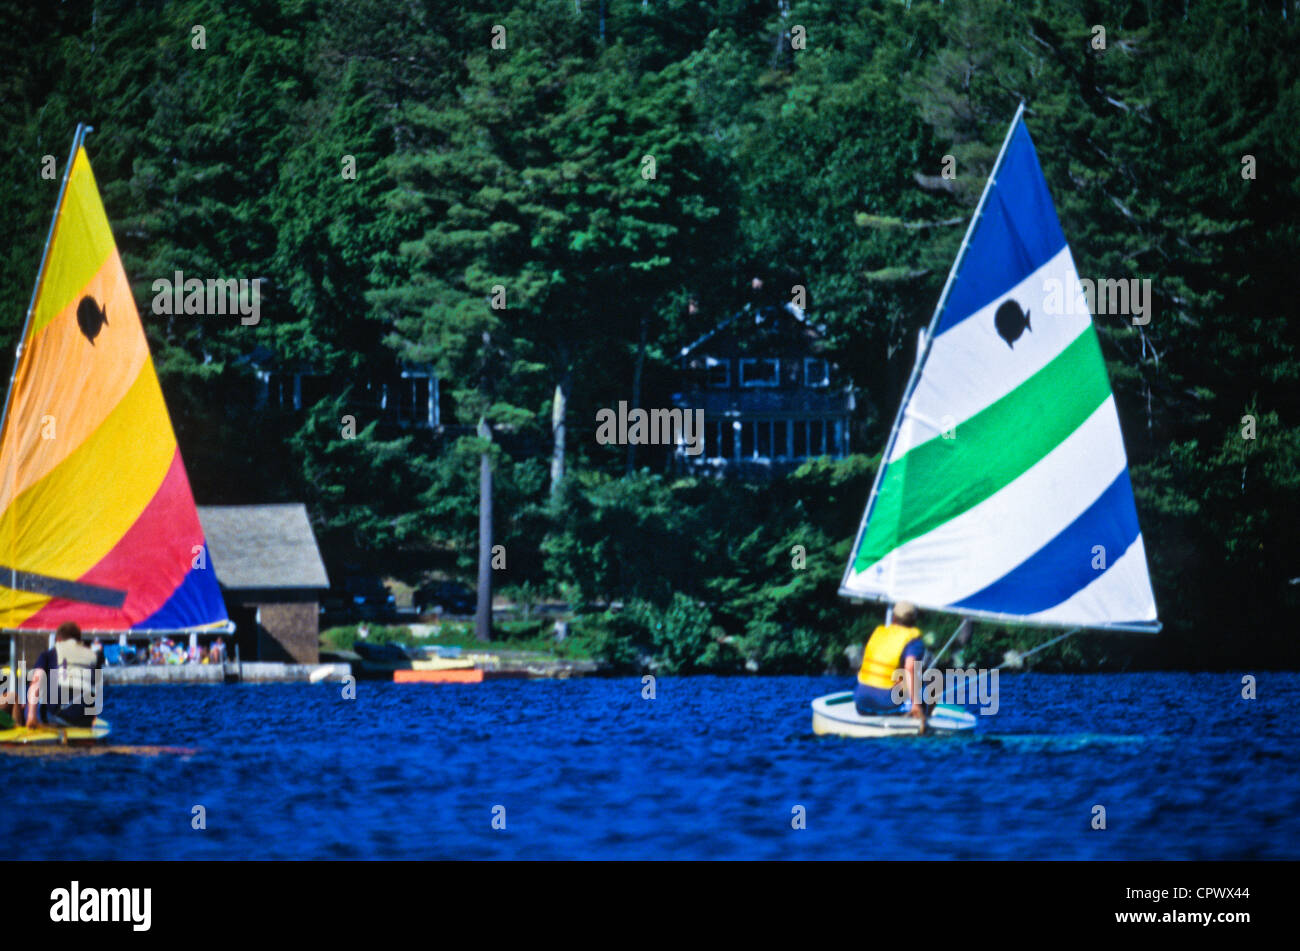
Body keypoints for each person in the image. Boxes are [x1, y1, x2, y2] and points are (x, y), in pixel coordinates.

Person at [854, 601, 928, 726]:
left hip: (861, 704)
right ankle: (923, 716)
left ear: (893, 617)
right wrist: (916, 704)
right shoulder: (914, 641)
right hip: (887, 706)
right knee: (931, 679)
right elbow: (910, 668)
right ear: (914, 620)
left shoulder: (878, 632)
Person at [24, 622, 102, 729]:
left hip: (58, 712)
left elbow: (37, 680)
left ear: (58, 640)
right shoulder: (92, 656)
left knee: (32, 706)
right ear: (79, 640)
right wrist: (94, 718)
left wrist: (31, 716)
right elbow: (96, 690)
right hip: (85, 715)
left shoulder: (49, 654)